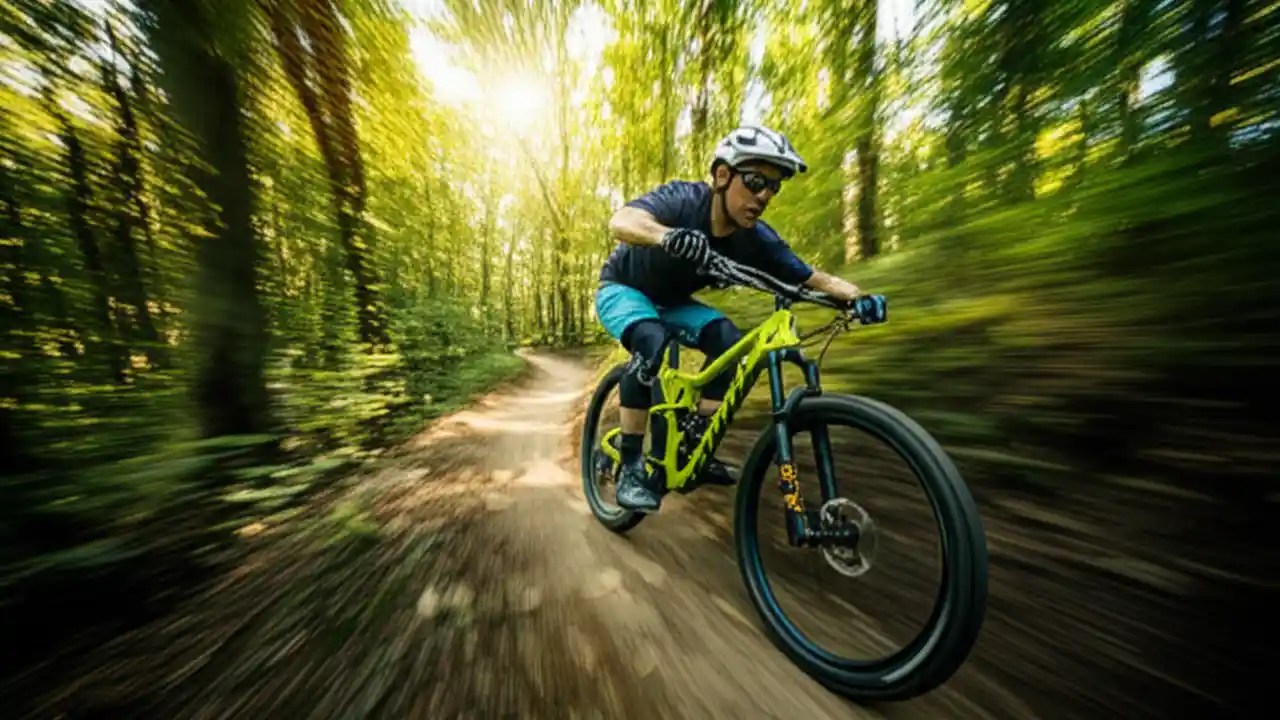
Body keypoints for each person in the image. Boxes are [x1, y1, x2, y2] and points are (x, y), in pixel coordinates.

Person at [595, 124, 864, 512]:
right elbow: (622, 220)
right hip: (622, 288)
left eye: (773, 187)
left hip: (674, 300)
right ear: (723, 176)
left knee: (729, 342)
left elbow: (808, 276)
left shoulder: (754, 237)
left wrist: (856, 297)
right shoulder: (684, 200)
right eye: (755, 181)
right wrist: (665, 236)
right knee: (651, 341)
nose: (764, 196)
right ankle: (633, 467)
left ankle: (695, 446)